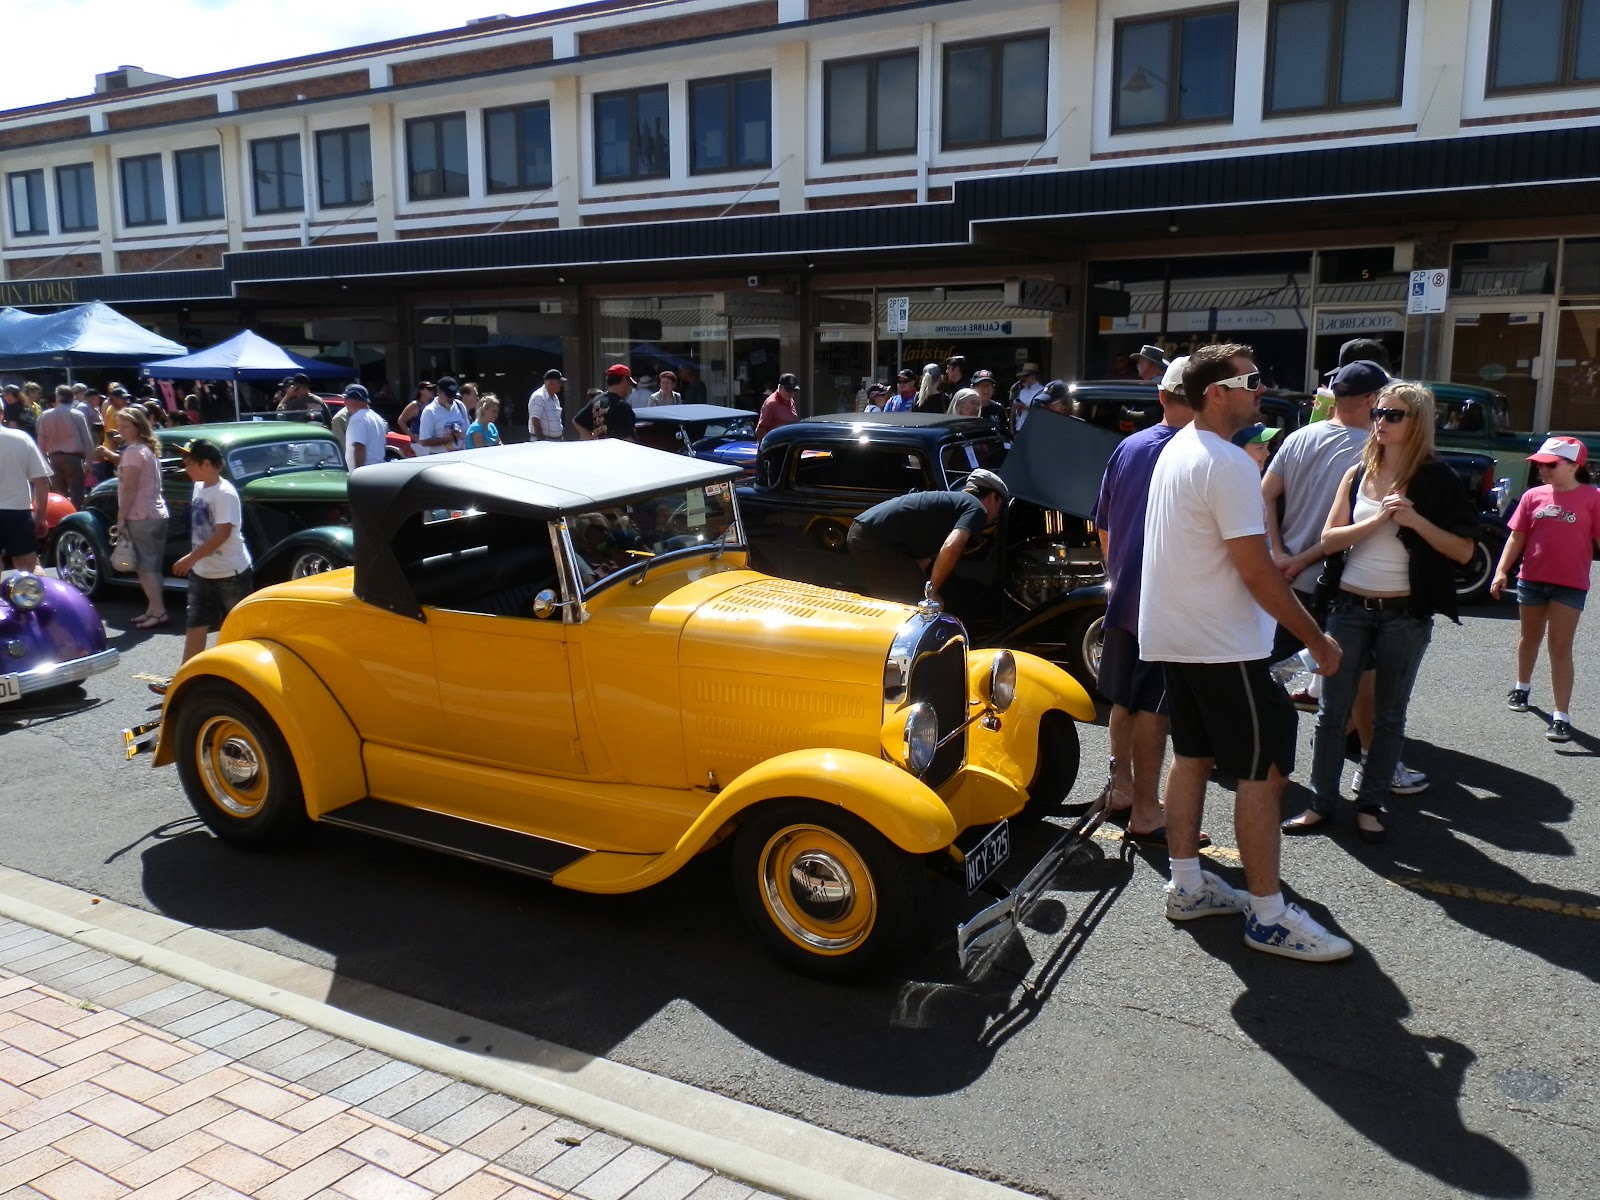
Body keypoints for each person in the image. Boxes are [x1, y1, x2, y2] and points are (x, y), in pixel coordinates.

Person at [1140, 342, 1351, 961]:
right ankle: (1267, 914)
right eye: (1251, 381)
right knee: (1264, 772)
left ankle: (1186, 885)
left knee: (1195, 756)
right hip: (1222, 643)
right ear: (1216, 393)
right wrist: (1317, 638)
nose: (1261, 390)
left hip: (1179, 637)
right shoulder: (1227, 462)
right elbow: (1258, 572)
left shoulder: (1179, 448)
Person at [1283, 382, 1476, 842]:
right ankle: (1320, 803)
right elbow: (1329, 540)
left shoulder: (1436, 479)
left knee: (1389, 716)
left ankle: (1370, 806)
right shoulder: (1357, 472)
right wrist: (1373, 522)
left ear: (1417, 424)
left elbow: (1465, 552)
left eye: (1394, 415)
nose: (1381, 422)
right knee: (1331, 713)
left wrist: (1414, 521)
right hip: (1348, 607)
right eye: (1379, 414)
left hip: (1404, 614)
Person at [1265, 359, 1429, 798]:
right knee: (1360, 679)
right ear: (1372, 401)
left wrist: (1280, 552)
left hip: (1291, 577)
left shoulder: (1298, 437)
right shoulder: (1372, 449)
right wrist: (1299, 558)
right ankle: (1377, 765)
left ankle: (1244, 748)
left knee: (1275, 669)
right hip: (1341, 581)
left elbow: (1265, 495)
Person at [1093, 356, 1194, 843]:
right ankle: (1148, 812)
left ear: (1160, 396)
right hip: (1171, 600)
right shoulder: (1200, 451)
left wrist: (1119, 575)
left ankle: (1123, 790)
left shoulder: (1129, 446)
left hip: (1126, 594)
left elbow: (1104, 524)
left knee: (1123, 698)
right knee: (1156, 707)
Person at [1492, 437, 1600, 744]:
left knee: (1560, 646)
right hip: (1532, 580)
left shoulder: (1593, 498)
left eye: (1550, 465)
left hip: (1571, 584)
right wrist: (1501, 570)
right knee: (1529, 638)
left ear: (1574, 466)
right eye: (1539, 464)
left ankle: (1561, 716)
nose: (1543, 470)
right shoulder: (1533, 496)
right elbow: (1517, 537)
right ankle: (1521, 686)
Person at [155, 438, 254, 691]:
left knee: (237, 629)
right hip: (203, 571)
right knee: (196, 625)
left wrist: (190, 558)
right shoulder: (199, 486)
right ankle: (185, 680)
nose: (186, 468)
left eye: (190, 464)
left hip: (230, 572)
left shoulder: (225, 493)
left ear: (207, 464)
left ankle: (242, 680)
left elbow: (222, 534)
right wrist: (196, 560)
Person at [846, 469, 1008, 606]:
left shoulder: (955, 504)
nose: (996, 516)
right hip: (876, 538)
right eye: (1000, 507)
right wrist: (932, 591)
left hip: (867, 532)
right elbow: (952, 546)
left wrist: (924, 586)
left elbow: (924, 558)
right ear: (993, 497)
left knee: (902, 601)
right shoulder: (976, 507)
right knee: (914, 605)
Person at [112, 407, 170, 628]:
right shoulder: (148, 449)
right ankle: (153, 608)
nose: (121, 431)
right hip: (156, 512)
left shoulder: (133, 452)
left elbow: (129, 488)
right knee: (151, 566)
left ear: (138, 426)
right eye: (119, 426)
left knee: (146, 568)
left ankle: (158, 610)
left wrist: (120, 518)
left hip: (141, 515)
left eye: (125, 426)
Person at [0, 420, 51, 573]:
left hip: (17, 509)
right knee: (29, 568)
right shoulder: (21, 438)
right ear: (2, 413)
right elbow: (41, 481)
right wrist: (41, 516)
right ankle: (33, 596)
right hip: (17, 511)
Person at [36, 385, 95, 508]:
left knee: (60, 495)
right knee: (77, 495)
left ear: (58, 398)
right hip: (74, 459)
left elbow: (41, 442)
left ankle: (61, 517)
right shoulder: (77, 415)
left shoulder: (45, 416)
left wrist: (44, 463)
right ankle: (74, 518)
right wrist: (89, 462)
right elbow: (87, 440)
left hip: (53, 458)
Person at [574, 365, 638, 441]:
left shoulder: (596, 400)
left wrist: (590, 441)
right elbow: (628, 438)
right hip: (617, 451)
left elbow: (577, 422)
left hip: (600, 450)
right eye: (629, 382)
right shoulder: (621, 406)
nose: (629, 386)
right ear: (624, 380)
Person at [415, 380, 470, 455]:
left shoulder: (459, 405)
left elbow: (467, 430)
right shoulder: (430, 411)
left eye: (453, 395)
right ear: (439, 393)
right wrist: (450, 438)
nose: (451, 399)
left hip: (460, 454)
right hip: (440, 457)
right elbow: (424, 441)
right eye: (448, 395)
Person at [342, 384, 388, 470]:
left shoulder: (357, 418)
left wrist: (359, 473)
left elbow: (359, 447)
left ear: (355, 400)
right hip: (379, 468)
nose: (344, 402)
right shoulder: (377, 417)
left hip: (366, 472)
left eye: (346, 399)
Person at [755, 373, 800, 439]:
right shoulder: (771, 403)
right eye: (788, 390)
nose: (791, 393)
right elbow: (761, 429)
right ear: (780, 387)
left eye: (793, 390)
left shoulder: (791, 401)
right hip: (776, 444)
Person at [528, 369, 566, 441]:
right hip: (545, 441)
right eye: (559, 382)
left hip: (556, 441)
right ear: (550, 383)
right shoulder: (539, 396)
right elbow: (535, 420)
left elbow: (557, 421)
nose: (561, 385)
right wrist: (542, 442)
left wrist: (561, 438)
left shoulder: (555, 398)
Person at [398, 381, 435, 446]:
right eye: (429, 389)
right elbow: (401, 421)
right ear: (421, 391)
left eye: (433, 389)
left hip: (432, 440)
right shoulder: (415, 405)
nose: (432, 391)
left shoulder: (434, 404)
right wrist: (411, 435)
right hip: (419, 442)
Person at [1011, 363, 1045, 431]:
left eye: (1026, 376)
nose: (1023, 378)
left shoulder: (1042, 391)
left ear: (1033, 376)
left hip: (1034, 430)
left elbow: (1042, 414)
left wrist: (1025, 407)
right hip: (1019, 428)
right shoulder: (1022, 391)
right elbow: (1014, 413)